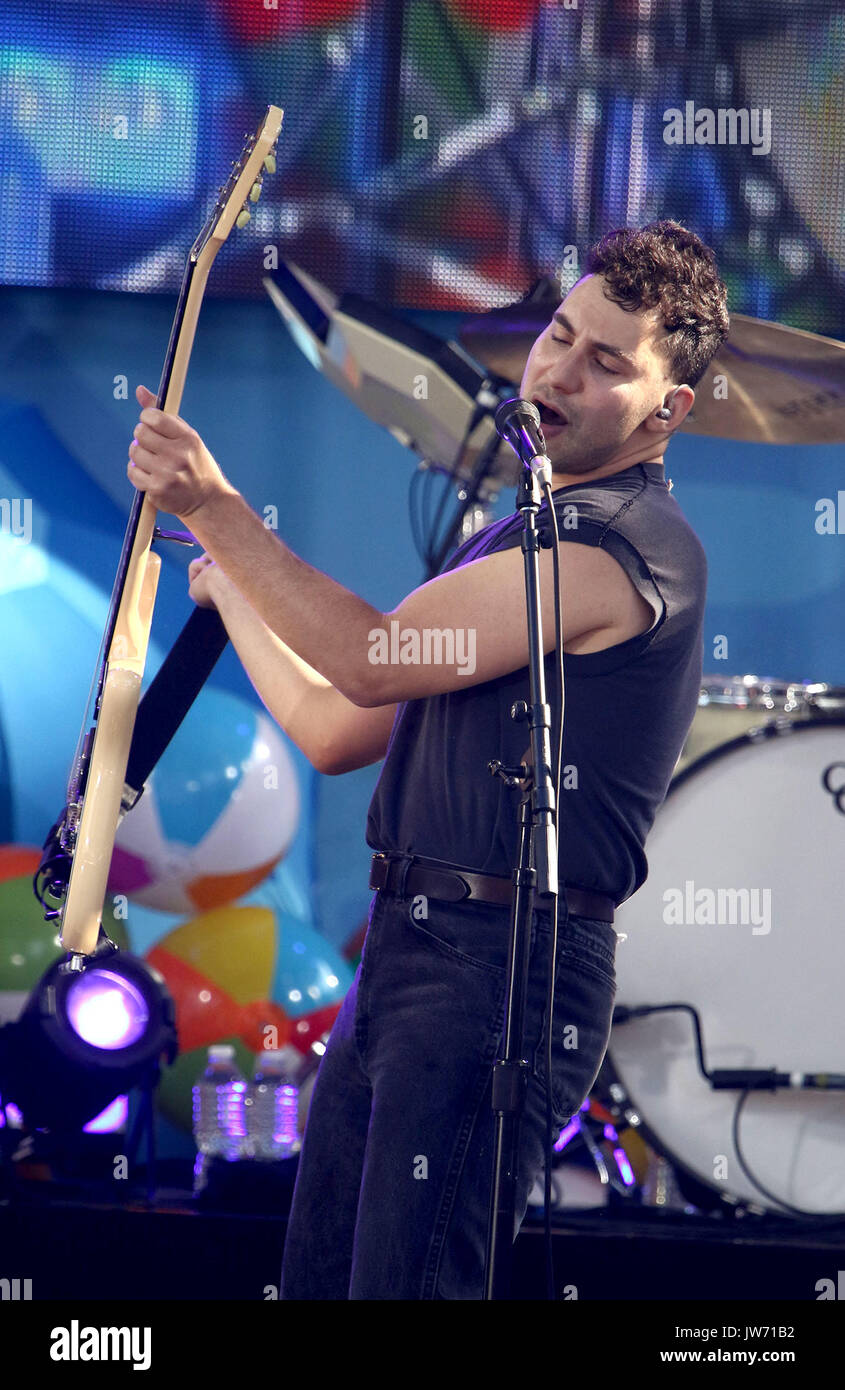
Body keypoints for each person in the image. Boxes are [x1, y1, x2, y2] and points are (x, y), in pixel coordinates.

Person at [127, 219, 729, 1299]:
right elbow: (336, 726)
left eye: (605, 362)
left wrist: (217, 506)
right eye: (558, 334)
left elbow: (369, 657)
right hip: (406, 960)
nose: (559, 368)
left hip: (497, 975)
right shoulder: (516, 535)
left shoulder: (619, 547)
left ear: (665, 410)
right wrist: (225, 572)